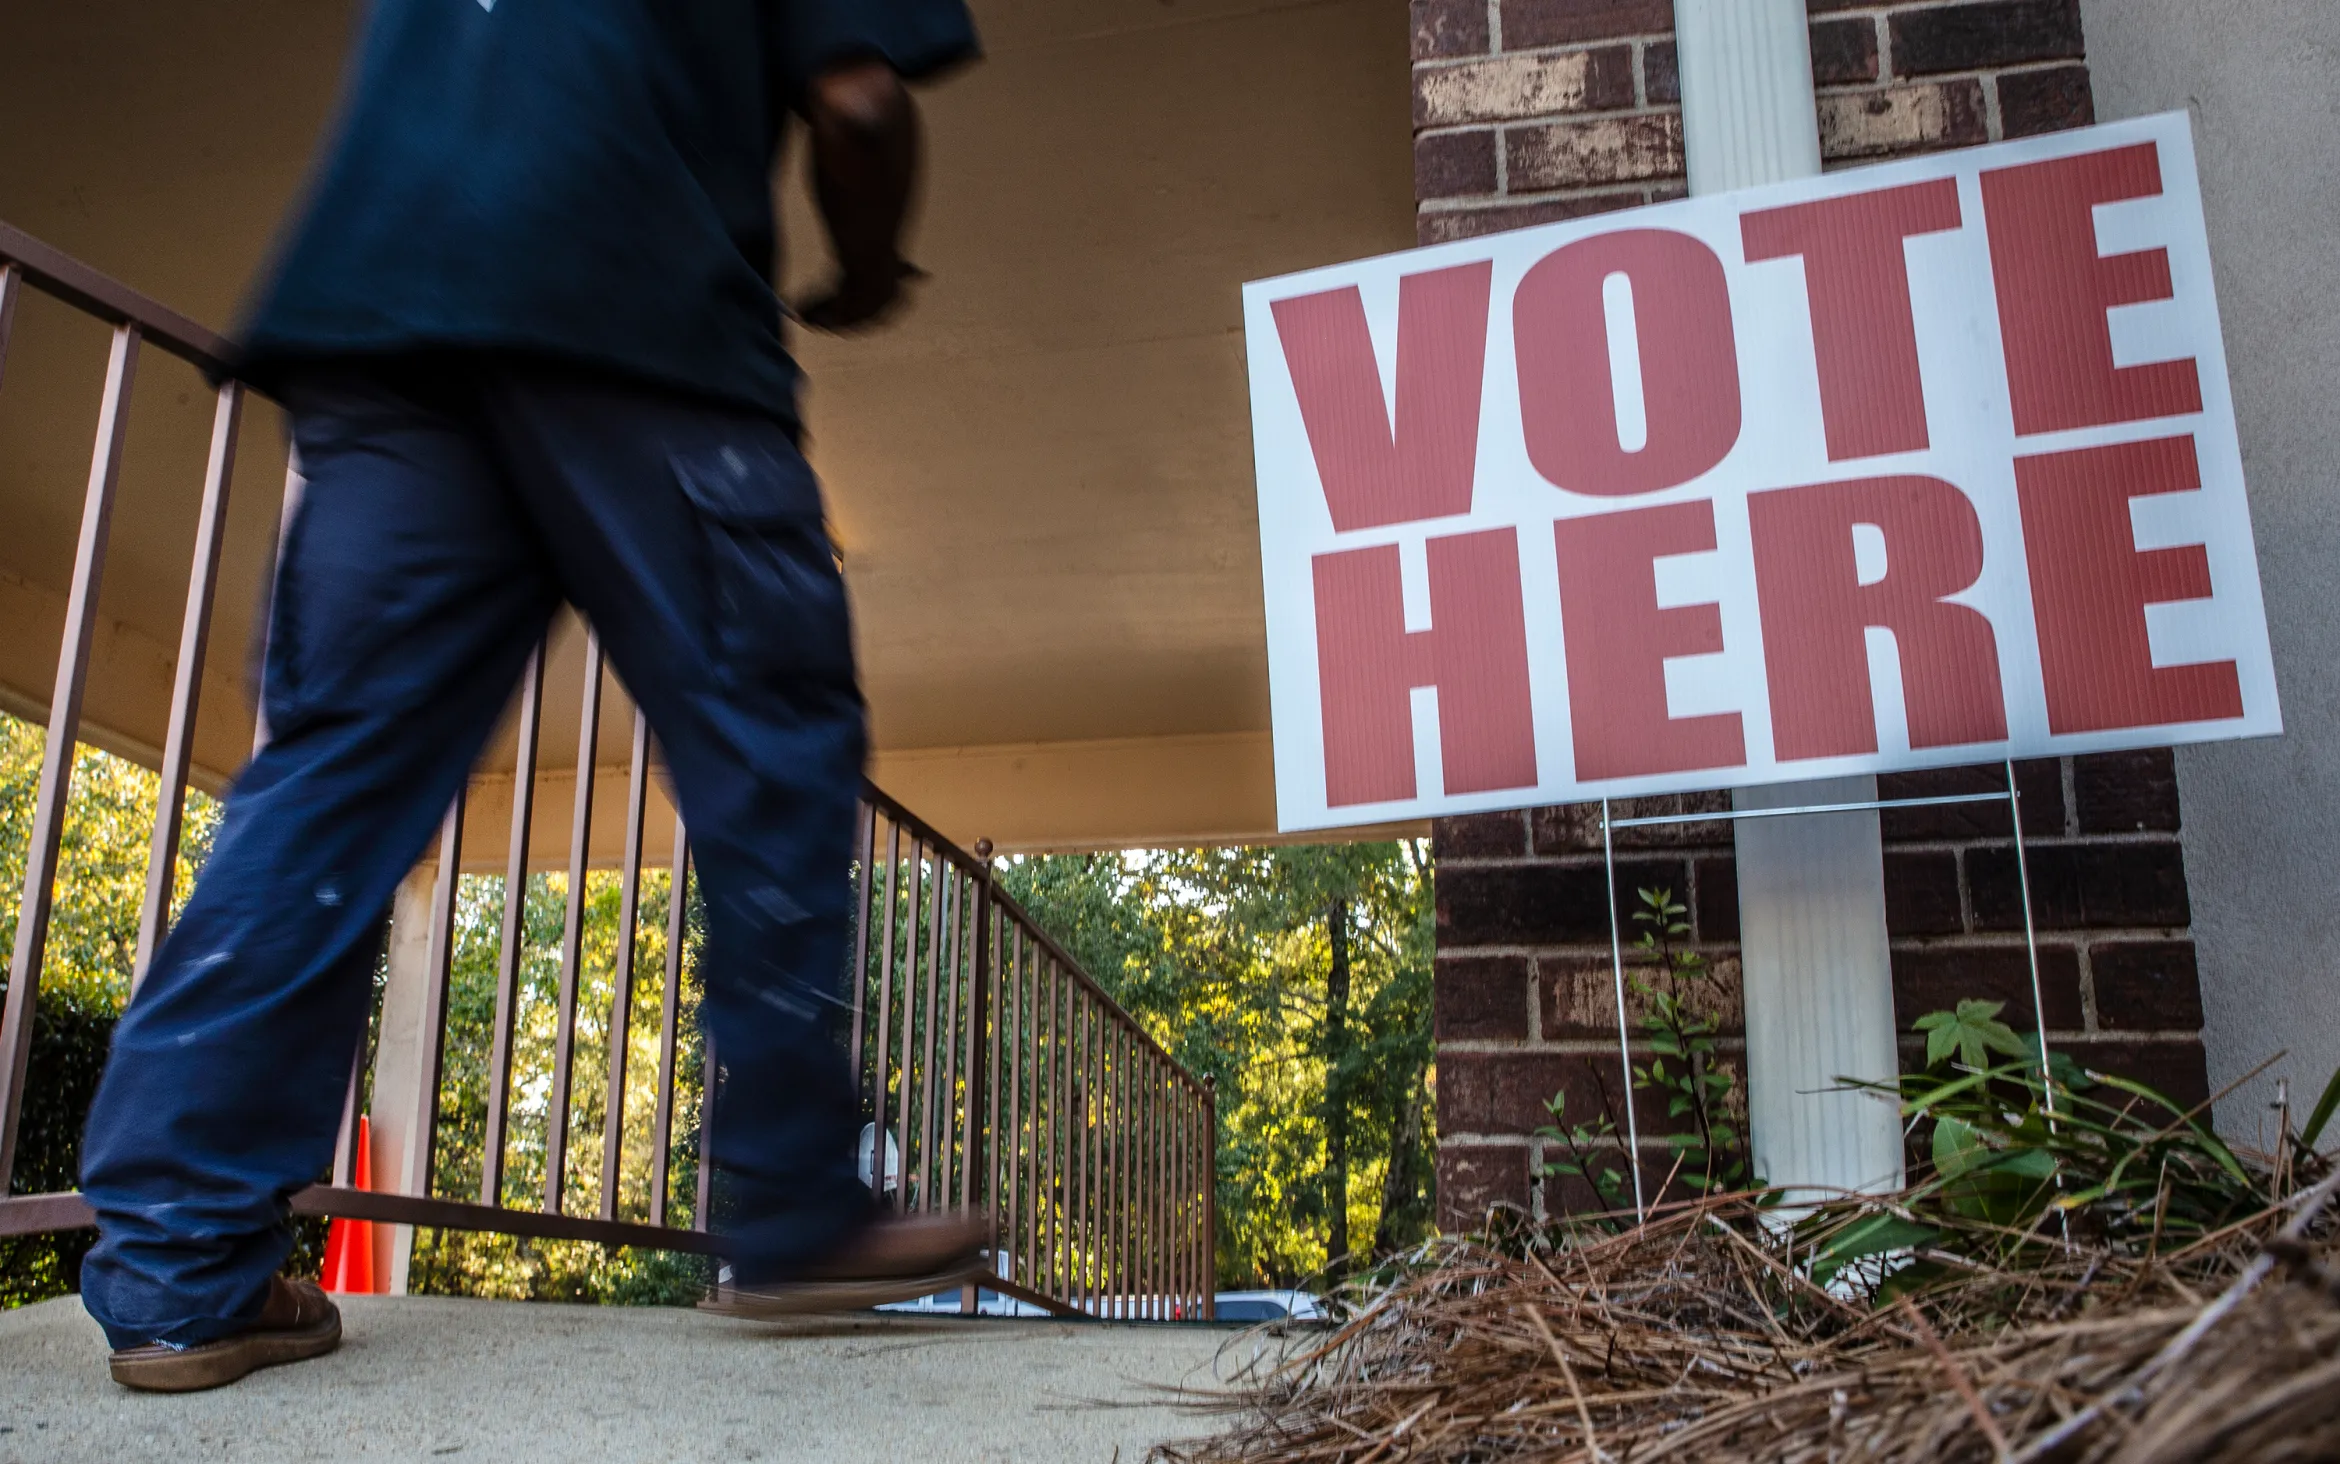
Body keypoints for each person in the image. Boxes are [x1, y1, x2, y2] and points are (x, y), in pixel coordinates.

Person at [76, 0, 983, 1394]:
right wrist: (869, 267)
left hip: (382, 315)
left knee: (330, 780)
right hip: (643, 309)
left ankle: (180, 1273)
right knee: (770, 743)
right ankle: (800, 1205)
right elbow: (860, 101)